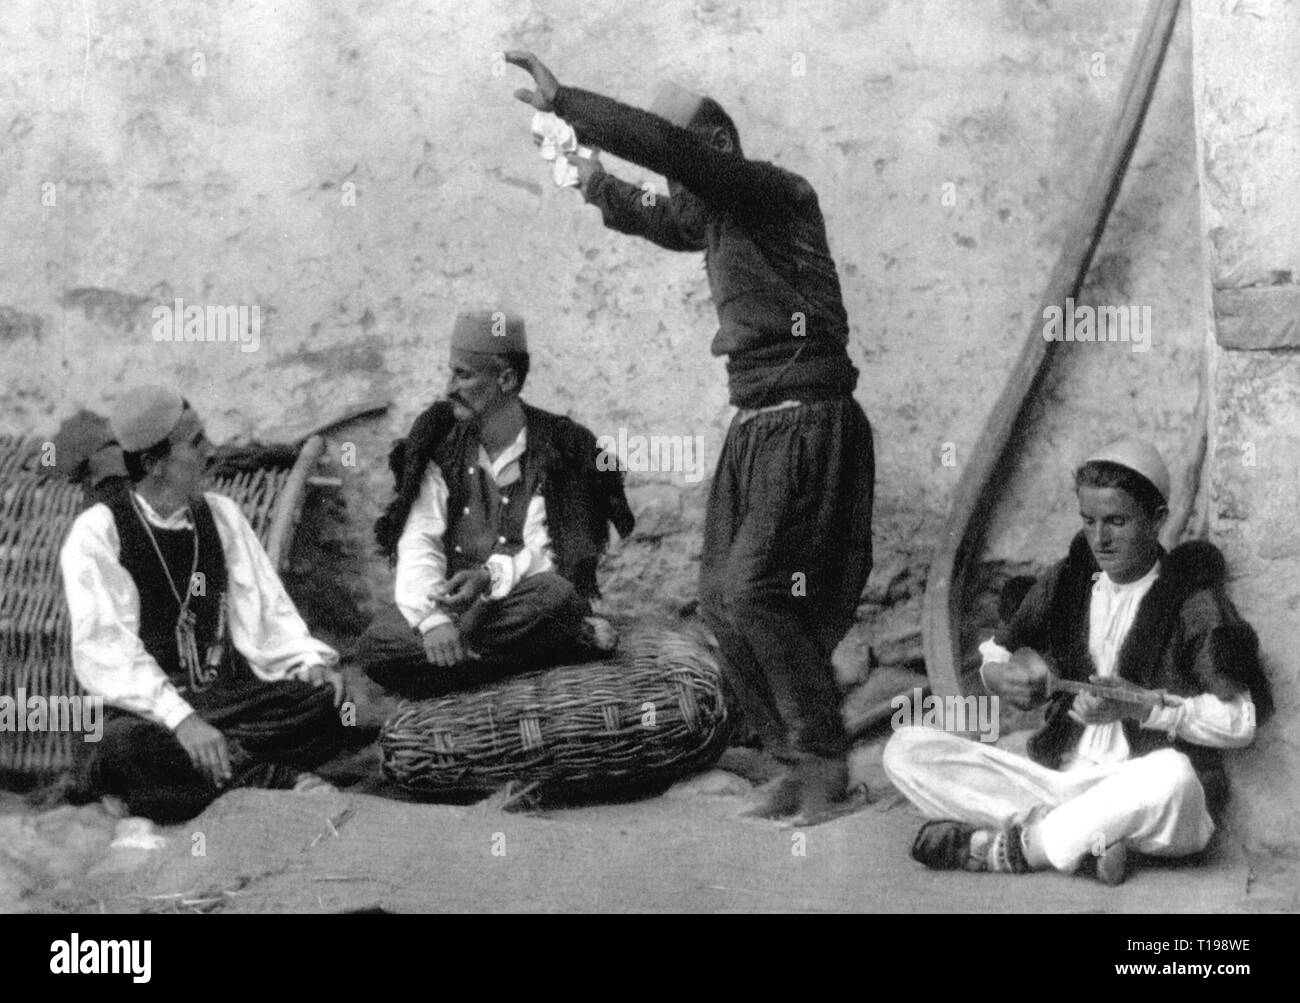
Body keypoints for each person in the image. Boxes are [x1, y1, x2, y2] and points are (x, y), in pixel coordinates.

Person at [506, 52, 874, 818]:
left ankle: (826, 764)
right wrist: (581, 167)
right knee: (718, 597)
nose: (682, 191)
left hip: (808, 418)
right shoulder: (712, 215)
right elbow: (647, 208)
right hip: (758, 427)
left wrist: (570, 98)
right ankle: (788, 757)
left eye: (688, 168)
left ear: (714, 151)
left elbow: (674, 157)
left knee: (757, 589)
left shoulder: (777, 194)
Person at [883, 439, 1272, 884]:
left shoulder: (1193, 601)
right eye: (1089, 522)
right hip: (1060, 776)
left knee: (1173, 776)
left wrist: (1143, 707)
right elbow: (995, 652)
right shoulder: (1069, 582)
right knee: (906, 750)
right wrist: (999, 676)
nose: (1100, 538)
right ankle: (1085, 839)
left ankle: (1015, 847)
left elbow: (1241, 722)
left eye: (1117, 522)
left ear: (1157, 520)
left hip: (1140, 784)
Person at [60, 386, 349, 823]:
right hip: (147, 713)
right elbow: (107, 653)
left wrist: (304, 662)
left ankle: (178, 784)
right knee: (123, 746)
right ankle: (270, 781)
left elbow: (265, 610)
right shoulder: (97, 532)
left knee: (321, 700)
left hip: (222, 703)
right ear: (156, 464)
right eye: (195, 444)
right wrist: (182, 720)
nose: (212, 451)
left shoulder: (221, 515)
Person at [361, 309, 634, 697]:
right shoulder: (438, 440)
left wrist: (489, 578)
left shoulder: (558, 446)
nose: (449, 388)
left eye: (463, 375)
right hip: (465, 616)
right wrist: (434, 620)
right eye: (450, 373)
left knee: (556, 599)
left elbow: (550, 557)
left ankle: (459, 664)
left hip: (517, 604)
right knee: (375, 647)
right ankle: (559, 648)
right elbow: (419, 539)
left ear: (506, 379)